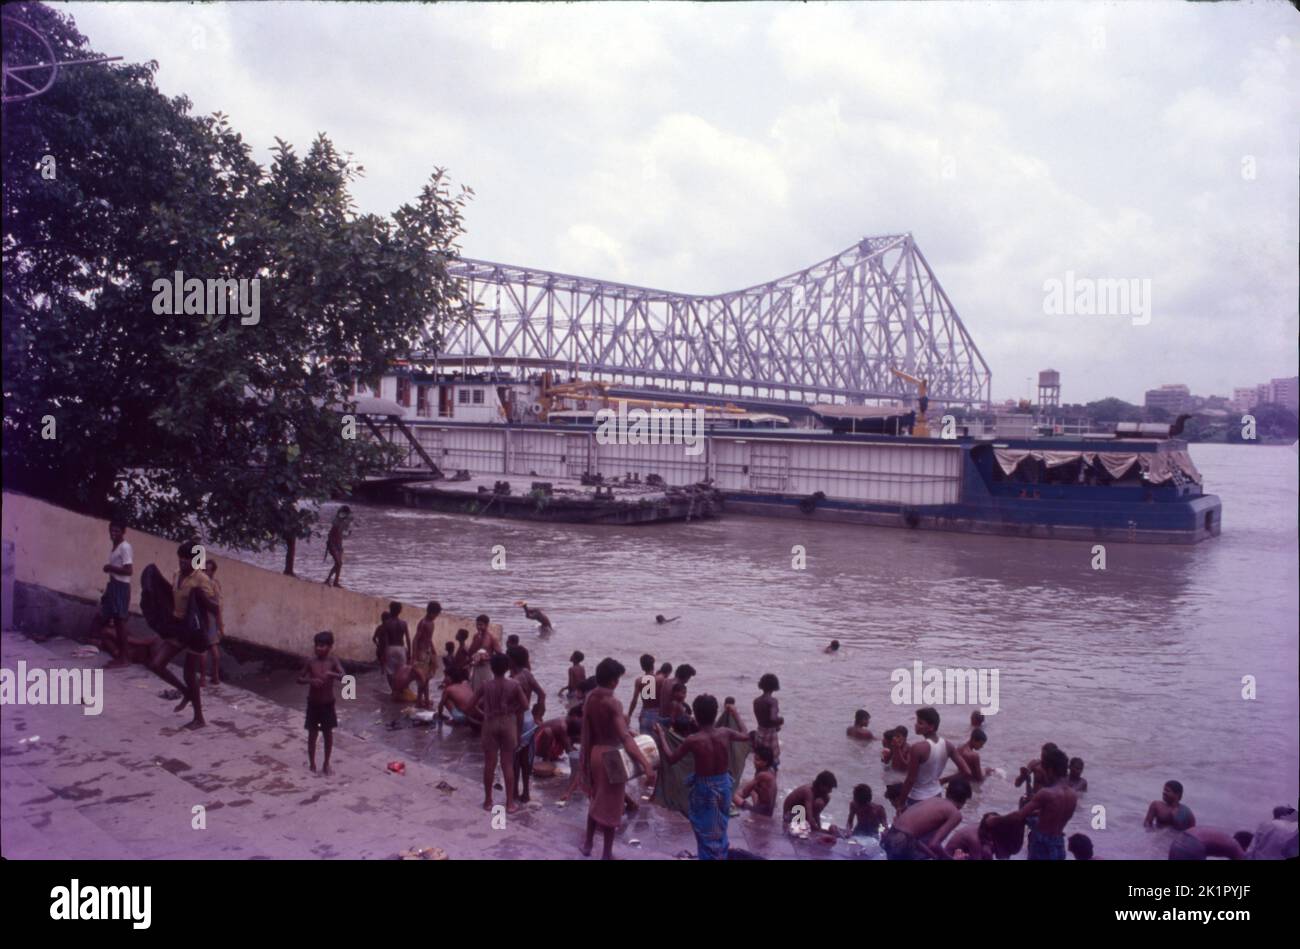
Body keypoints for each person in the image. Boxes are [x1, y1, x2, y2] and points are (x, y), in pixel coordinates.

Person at [654, 693, 751, 860]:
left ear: (696, 716)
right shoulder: (725, 732)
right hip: (724, 786)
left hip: (704, 790)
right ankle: (720, 854)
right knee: (720, 826)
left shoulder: (693, 740)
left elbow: (670, 758)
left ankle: (711, 857)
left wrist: (662, 735)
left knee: (705, 830)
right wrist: (735, 713)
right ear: (715, 715)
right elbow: (746, 734)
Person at [579, 658, 651, 860]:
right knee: (612, 808)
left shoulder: (591, 697)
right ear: (613, 681)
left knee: (595, 800)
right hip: (611, 756)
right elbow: (624, 737)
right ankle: (606, 854)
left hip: (594, 753)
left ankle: (587, 845)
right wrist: (646, 764)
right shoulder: (613, 702)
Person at [472, 653, 528, 814]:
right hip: (508, 723)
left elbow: (470, 705)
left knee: (489, 763)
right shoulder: (514, 685)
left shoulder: (485, 685)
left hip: (490, 722)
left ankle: (488, 801)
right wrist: (511, 710)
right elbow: (525, 706)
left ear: (491, 668)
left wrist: (483, 714)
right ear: (507, 668)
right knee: (507, 764)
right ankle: (509, 803)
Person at [881, 777, 972, 860]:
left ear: (947, 792)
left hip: (891, 836)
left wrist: (934, 856)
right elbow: (934, 844)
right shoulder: (955, 814)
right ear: (965, 799)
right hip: (903, 841)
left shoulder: (933, 800)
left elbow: (912, 837)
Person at [898, 707, 971, 809]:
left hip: (917, 798)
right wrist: (942, 780)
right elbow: (966, 772)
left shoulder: (917, 748)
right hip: (936, 794)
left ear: (931, 727)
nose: (916, 725)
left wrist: (900, 803)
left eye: (920, 723)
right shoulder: (948, 745)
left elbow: (910, 779)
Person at [1016, 748, 1078, 860]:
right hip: (1058, 842)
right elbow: (1018, 783)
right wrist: (1024, 776)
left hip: (1041, 842)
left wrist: (996, 821)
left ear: (1050, 768)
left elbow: (1020, 816)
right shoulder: (1073, 794)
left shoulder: (1047, 792)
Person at [297, 631, 344, 774]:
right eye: (317, 646)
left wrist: (332, 674)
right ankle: (312, 764)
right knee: (312, 734)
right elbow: (299, 678)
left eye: (322, 646)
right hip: (313, 703)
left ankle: (326, 764)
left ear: (330, 647)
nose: (318, 648)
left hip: (328, 704)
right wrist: (311, 681)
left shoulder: (333, 661)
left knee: (328, 734)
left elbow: (344, 677)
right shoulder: (311, 662)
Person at [90, 520, 134, 669]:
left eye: (117, 531)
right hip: (114, 586)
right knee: (115, 621)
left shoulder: (125, 547)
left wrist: (110, 568)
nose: (113, 534)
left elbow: (129, 571)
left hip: (121, 587)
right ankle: (121, 656)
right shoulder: (116, 546)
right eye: (111, 531)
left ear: (123, 531)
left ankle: (124, 658)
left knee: (120, 624)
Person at [733, 744, 778, 817]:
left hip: (760, 812)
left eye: (757, 760)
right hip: (768, 811)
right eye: (754, 759)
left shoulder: (762, 775)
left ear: (765, 762)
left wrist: (733, 794)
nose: (754, 762)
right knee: (753, 791)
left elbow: (744, 792)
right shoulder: (770, 771)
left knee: (731, 794)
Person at [411, 601, 441, 709]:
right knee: (422, 679)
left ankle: (426, 700)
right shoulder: (423, 623)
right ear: (432, 613)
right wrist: (413, 656)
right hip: (421, 653)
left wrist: (433, 650)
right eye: (436, 615)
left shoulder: (431, 623)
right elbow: (415, 640)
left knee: (427, 679)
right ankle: (420, 701)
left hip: (427, 652)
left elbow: (429, 639)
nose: (436, 617)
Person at [753, 673, 783, 770]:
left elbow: (764, 720)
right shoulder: (772, 701)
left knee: (760, 762)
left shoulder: (756, 701)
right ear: (775, 686)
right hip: (769, 736)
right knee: (772, 765)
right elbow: (773, 718)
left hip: (759, 733)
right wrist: (781, 720)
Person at [202, 559, 225, 685]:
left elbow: (217, 606)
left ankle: (203, 678)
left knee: (204, 650)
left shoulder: (204, 584)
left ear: (212, 571)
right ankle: (214, 676)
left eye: (207, 570)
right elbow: (218, 606)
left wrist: (219, 624)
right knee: (213, 647)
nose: (204, 572)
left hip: (206, 618)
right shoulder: (215, 584)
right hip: (211, 617)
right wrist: (220, 625)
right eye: (204, 569)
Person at [846, 784, 888, 850]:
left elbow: (885, 826)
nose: (861, 808)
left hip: (873, 836)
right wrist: (848, 830)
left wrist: (884, 833)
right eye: (859, 805)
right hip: (857, 832)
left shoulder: (878, 810)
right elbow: (849, 821)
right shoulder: (853, 805)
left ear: (869, 801)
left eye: (863, 805)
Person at [626, 653, 658, 735]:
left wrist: (629, 715)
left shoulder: (639, 681)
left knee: (645, 741)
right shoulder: (660, 680)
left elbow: (634, 700)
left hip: (645, 713)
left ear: (642, 667)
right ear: (653, 665)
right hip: (657, 713)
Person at [323, 505, 350, 587]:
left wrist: (347, 535)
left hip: (338, 545)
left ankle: (333, 581)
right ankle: (331, 581)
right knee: (338, 563)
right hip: (333, 545)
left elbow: (341, 536)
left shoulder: (343, 523)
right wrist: (331, 545)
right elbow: (331, 535)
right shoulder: (336, 522)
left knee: (339, 564)